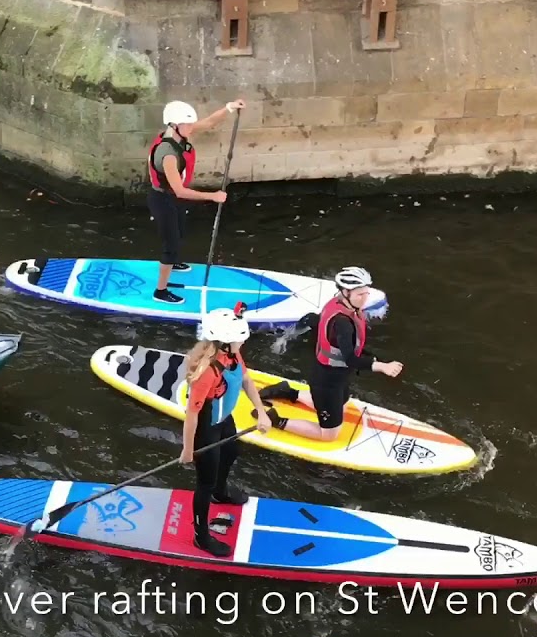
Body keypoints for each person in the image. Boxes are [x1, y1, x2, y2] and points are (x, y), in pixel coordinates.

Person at [254, 267, 403, 441]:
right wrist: (382, 366)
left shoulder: (340, 304)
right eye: (359, 295)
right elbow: (350, 359)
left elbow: (318, 323)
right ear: (345, 292)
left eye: (366, 293)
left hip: (338, 377)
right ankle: (276, 420)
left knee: (342, 406)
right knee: (329, 435)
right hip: (326, 381)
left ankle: (288, 392)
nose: (364, 299)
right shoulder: (342, 323)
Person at [180, 305, 271, 557]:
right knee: (204, 483)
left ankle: (221, 493)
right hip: (206, 429)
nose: (244, 339)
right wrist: (189, 450)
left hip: (224, 420)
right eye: (240, 337)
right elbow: (192, 414)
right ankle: (201, 537)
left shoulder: (232, 356)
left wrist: (261, 412)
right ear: (226, 341)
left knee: (231, 452)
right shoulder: (207, 372)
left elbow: (246, 381)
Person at [146, 98, 246, 305]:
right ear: (174, 125)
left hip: (174, 198)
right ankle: (161, 291)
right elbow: (180, 190)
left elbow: (209, 122)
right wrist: (212, 196)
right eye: (188, 125)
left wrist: (229, 107)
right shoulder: (168, 155)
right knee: (171, 244)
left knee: (181, 232)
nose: (192, 128)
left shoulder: (180, 131)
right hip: (164, 199)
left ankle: (173, 264)